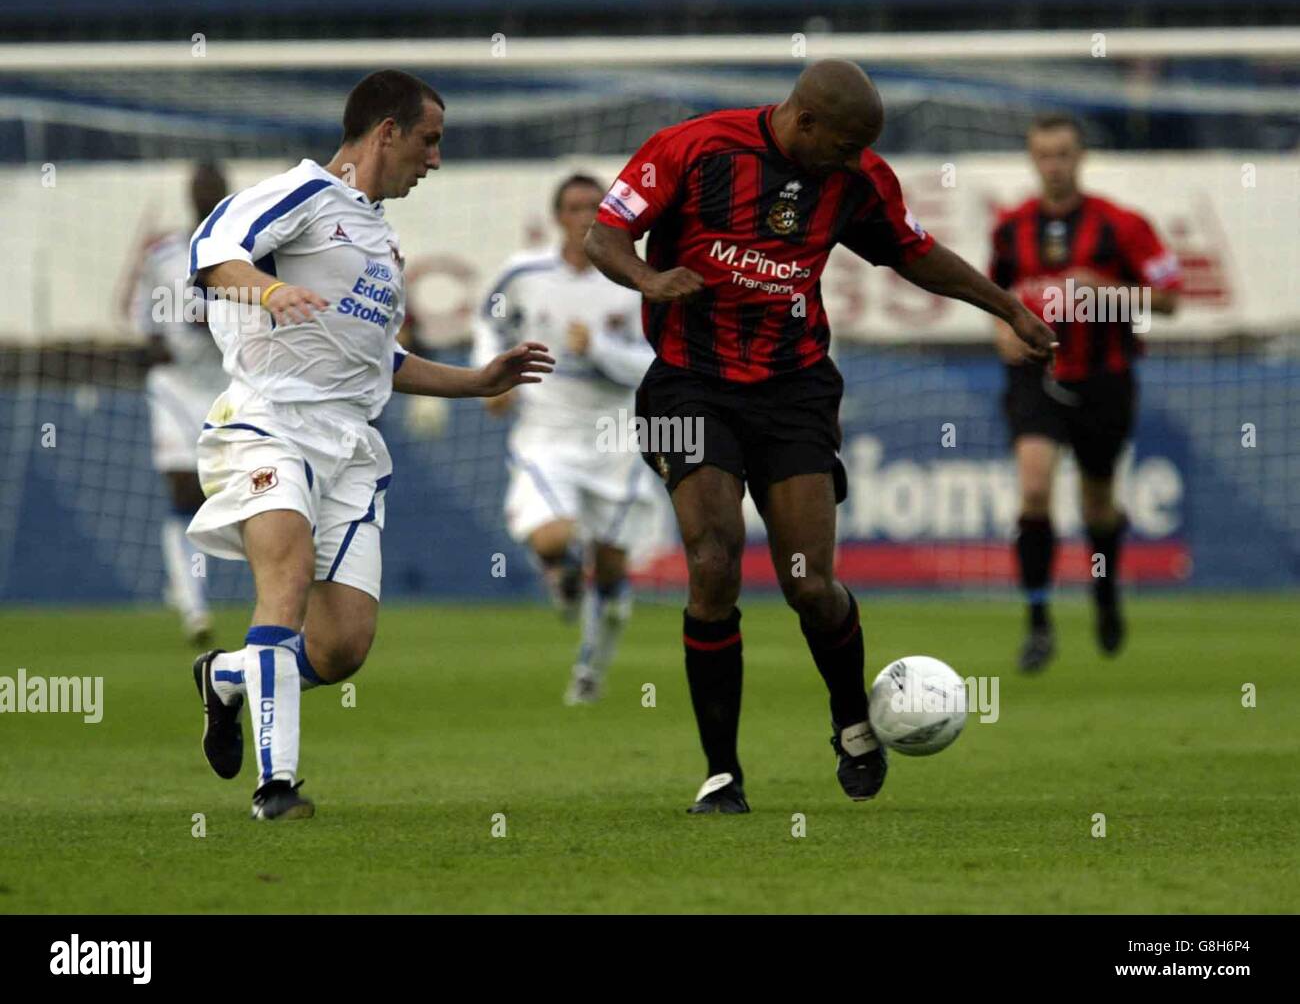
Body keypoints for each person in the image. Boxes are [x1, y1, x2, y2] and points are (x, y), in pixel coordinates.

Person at [585, 59, 1057, 813]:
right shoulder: (691, 148)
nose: (852, 162)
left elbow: (915, 253)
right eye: (841, 146)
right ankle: (722, 774)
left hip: (794, 388)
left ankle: (850, 720)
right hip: (687, 383)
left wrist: (1009, 309)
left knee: (808, 582)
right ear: (803, 121)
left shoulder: (858, 176)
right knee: (711, 562)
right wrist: (647, 280)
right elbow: (603, 235)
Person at [186, 70, 553, 820]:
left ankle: (227, 677)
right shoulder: (302, 194)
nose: (436, 159)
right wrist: (265, 290)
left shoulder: (380, 238)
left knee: (342, 648)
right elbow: (211, 250)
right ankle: (276, 787)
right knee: (282, 587)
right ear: (386, 132)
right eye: (430, 140)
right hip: (269, 424)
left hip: (349, 450)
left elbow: (376, 361)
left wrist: (477, 381)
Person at [990, 113, 1180, 672]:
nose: (1055, 165)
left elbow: (1169, 299)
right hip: (1036, 375)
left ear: (1081, 156)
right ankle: (1039, 622)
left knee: (1097, 502)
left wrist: (1110, 291)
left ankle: (1104, 593)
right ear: (1032, 159)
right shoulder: (1010, 228)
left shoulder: (1121, 225)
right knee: (1033, 489)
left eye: (1064, 153)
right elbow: (994, 294)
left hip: (1104, 378)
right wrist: (1003, 330)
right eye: (1045, 154)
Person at [474, 174, 658, 704]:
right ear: (558, 217)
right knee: (553, 537)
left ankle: (589, 672)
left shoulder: (632, 277)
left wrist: (599, 346)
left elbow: (655, 366)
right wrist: (493, 376)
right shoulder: (525, 273)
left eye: (593, 207)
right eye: (573, 207)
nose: (583, 216)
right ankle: (561, 571)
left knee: (615, 570)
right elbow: (491, 324)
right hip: (546, 431)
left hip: (614, 439)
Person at [131, 162, 229, 645]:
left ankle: (190, 579)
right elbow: (145, 322)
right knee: (182, 490)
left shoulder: (245, 252)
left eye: (214, 186)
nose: (207, 192)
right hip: (174, 386)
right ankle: (194, 607)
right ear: (190, 194)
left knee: (227, 493)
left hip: (225, 385)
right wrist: (157, 345)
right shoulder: (165, 255)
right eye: (201, 186)